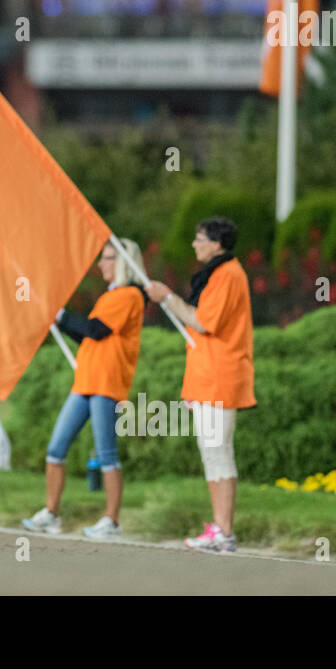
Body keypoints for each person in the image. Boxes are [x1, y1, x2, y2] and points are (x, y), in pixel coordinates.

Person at [23, 238, 148, 539]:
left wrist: (63, 316)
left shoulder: (129, 295)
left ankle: (111, 521)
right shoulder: (109, 297)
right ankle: (50, 513)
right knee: (56, 448)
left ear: (123, 263)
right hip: (86, 382)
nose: (101, 264)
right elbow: (90, 337)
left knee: (107, 452)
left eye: (107, 258)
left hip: (107, 383)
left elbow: (96, 329)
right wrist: (61, 321)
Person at [145, 215, 255, 553]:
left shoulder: (227, 275)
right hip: (207, 377)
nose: (194, 244)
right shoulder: (220, 274)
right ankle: (220, 529)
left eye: (200, 238)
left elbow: (203, 322)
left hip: (220, 378)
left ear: (217, 243)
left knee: (219, 453)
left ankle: (224, 530)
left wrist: (166, 298)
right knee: (212, 454)